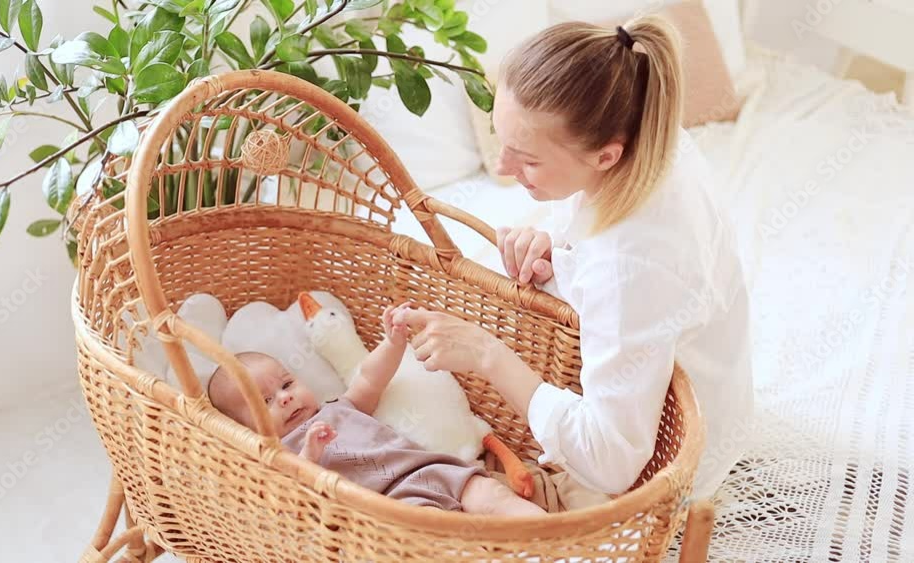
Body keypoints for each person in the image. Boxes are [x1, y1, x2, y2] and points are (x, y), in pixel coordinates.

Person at [396, 16, 754, 499]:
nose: (503, 167)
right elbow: (604, 260)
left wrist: (487, 354)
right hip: (716, 390)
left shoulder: (630, 264)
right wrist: (555, 248)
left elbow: (611, 462)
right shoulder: (654, 142)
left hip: (673, 471)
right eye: (501, 140)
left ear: (606, 156)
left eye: (528, 159)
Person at [207, 303, 545, 516]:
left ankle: (551, 544)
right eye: (265, 402)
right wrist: (308, 455)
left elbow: (370, 379)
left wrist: (393, 343)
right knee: (438, 533)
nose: (284, 398)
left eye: (287, 383)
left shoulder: (337, 407)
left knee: (491, 494)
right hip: (391, 504)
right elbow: (296, 498)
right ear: (247, 432)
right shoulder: (281, 456)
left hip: (429, 469)